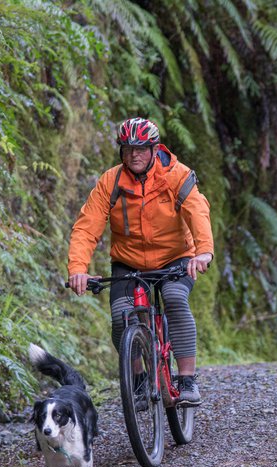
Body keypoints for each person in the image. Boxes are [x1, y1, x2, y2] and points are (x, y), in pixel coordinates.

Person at [68, 117, 213, 405]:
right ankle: (138, 380)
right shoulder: (111, 182)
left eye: (141, 149)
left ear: (154, 148)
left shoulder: (177, 175)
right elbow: (87, 227)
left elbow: (198, 211)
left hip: (176, 258)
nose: (134, 154)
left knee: (173, 298)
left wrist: (203, 252)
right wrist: (78, 270)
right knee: (122, 318)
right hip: (129, 262)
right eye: (128, 149)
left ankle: (186, 380)